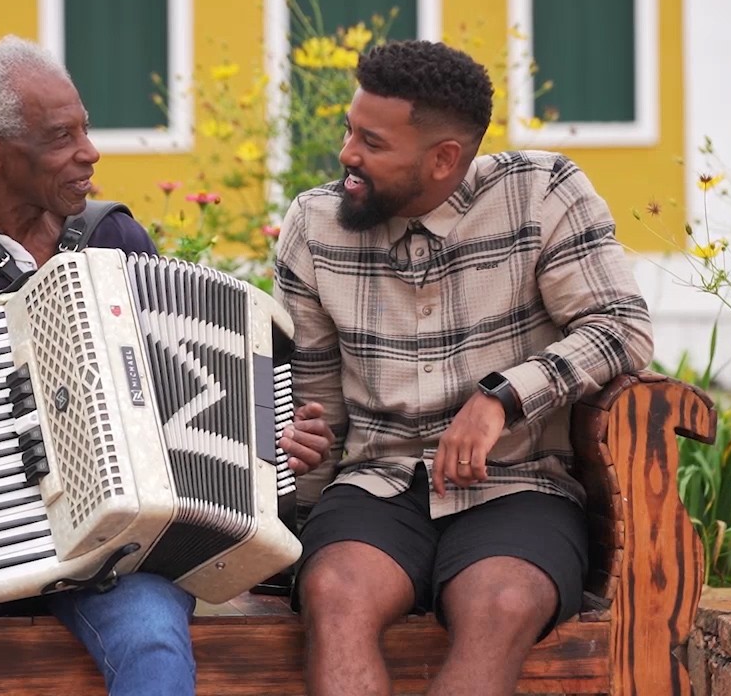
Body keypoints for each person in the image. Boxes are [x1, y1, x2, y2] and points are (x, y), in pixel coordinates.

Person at [0, 35, 332, 696]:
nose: (90, 154)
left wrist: (265, 444)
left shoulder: (111, 236)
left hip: (118, 540)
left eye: (85, 129)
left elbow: (176, 392)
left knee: (152, 640)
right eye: (61, 137)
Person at [274, 40, 654, 696]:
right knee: (335, 595)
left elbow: (620, 327)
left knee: (501, 606)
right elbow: (313, 407)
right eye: (348, 130)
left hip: (520, 486)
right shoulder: (314, 228)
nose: (347, 156)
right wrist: (291, 478)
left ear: (444, 158)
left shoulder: (542, 194)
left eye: (371, 142)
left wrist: (502, 397)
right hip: (375, 485)